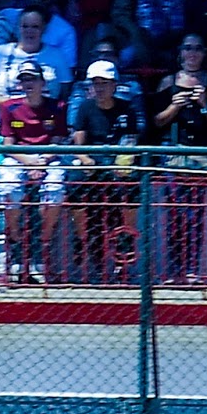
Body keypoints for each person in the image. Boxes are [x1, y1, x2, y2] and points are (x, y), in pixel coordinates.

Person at [152, 56, 207, 284]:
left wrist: (204, 104)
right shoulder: (167, 82)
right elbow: (157, 121)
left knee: (195, 215)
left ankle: (192, 269)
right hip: (174, 155)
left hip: (200, 157)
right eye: (187, 48)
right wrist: (175, 106)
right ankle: (175, 271)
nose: (192, 53)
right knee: (175, 214)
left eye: (197, 48)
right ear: (180, 53)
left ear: (204, 53)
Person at [69, 59, 143, 283]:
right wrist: (86, 160)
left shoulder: (126, 109)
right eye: (95, 83)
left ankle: (126, 238)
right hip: (92, 162)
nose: (99, 88)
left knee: (133, 185)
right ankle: (81, 238)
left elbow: (130, 141)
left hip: (116, 162)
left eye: (104, 83)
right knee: (74, 183)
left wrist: (123, 163)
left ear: (114, 85)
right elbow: (78, 143)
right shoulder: (85, 108)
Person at [0, 58, 68, 284]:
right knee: (9, 189)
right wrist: (29, 162)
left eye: (32, 79)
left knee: (55, 191)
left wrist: (42, 161)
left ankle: (40, 244)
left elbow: (58, 140)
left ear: (42, 81)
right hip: (20, 157)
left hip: (48, 157)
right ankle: (15, 241)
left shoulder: (58, 107)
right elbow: (8, 144)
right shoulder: (9, 107)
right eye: (24, 79)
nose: (28, 83)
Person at [0, 7, 72, 119]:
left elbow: (65, 92)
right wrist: (11, 104)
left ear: (44, 29)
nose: (29, 31)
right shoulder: (0, 52)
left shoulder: (57, 55)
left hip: (44, 120)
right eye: (25, 26)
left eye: (35, 27)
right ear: (18, 28)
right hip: (6, 118)